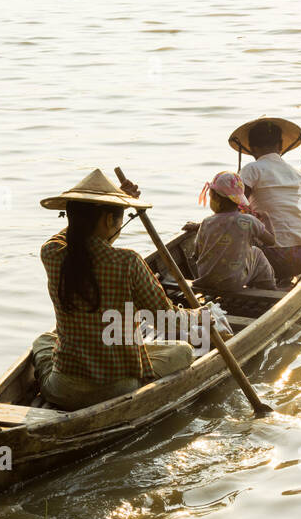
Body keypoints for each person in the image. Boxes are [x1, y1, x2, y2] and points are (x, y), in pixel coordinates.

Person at [32, 169, 202, 411]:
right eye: (117, 219)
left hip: (63, 390)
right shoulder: (128, 262)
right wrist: (201, 318)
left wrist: (117, 200)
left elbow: (75, 236)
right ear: (108, 221)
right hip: (120, 387)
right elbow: (167, 319)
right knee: (183, 351)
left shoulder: (51, 253)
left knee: (43, 341)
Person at [234, 118, 301, 285]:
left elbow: (234, 209)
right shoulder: (300, 175)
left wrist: (203, 225)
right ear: (281, 145)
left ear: (253, 149)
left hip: (273, 257)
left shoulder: (251, 170)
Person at [182, 170, 277, 292]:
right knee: (256, 252)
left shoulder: (206, 222)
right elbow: (271, 241)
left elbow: (196, 253)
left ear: (215, 197)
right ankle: (269, 288)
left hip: (204, 280)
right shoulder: (249, 221)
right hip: (233, 283)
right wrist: (267, 220)